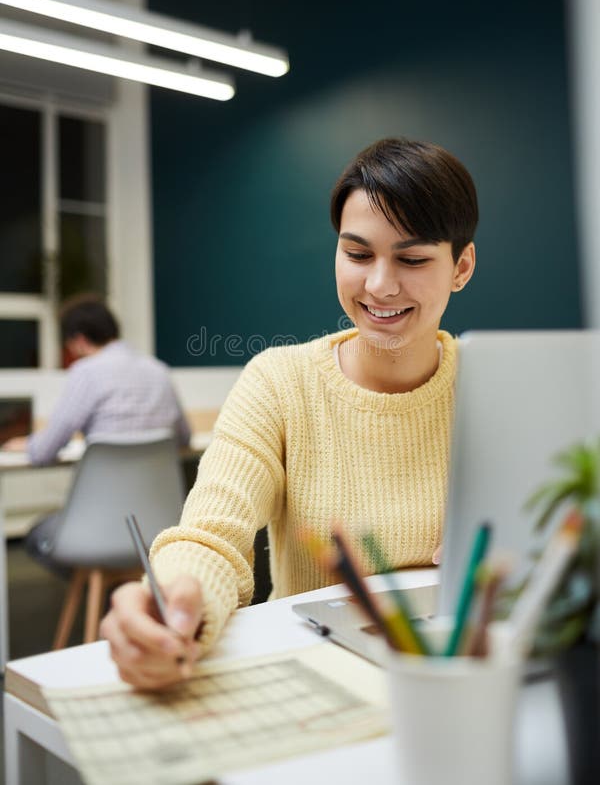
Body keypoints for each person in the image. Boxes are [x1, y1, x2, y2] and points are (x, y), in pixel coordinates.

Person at [100, 137, 478, 689]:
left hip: (462, 674)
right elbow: (210, 532)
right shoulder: (279, 381)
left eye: (413, 258)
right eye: (357, 254)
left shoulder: (494, 383)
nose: (379, 284)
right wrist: (180, 600)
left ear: (460, 266)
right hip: (321, 674)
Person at [1, 296, 191, 463]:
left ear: (80, 341)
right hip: (160, 501)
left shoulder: (85, 373)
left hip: (104, 499)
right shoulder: (158, 370)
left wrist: (28, 445)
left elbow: (45, 451)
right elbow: (184, 437)